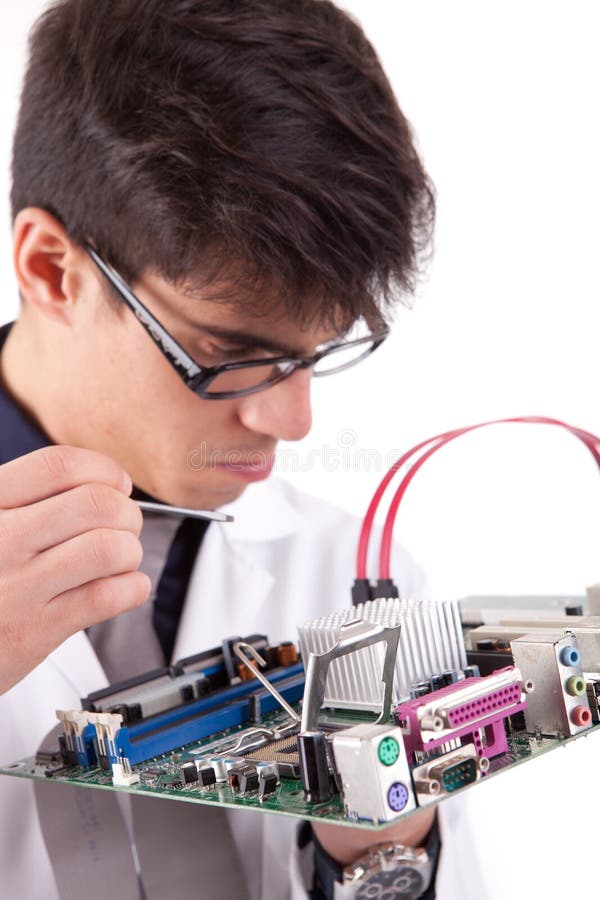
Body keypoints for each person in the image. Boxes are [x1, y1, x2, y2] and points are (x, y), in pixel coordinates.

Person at [0, 1, 464, 897]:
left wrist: (378, 856)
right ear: (52, 268)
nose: (293, 422)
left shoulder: (351, 573)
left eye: (314, 352)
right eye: (229, 355)